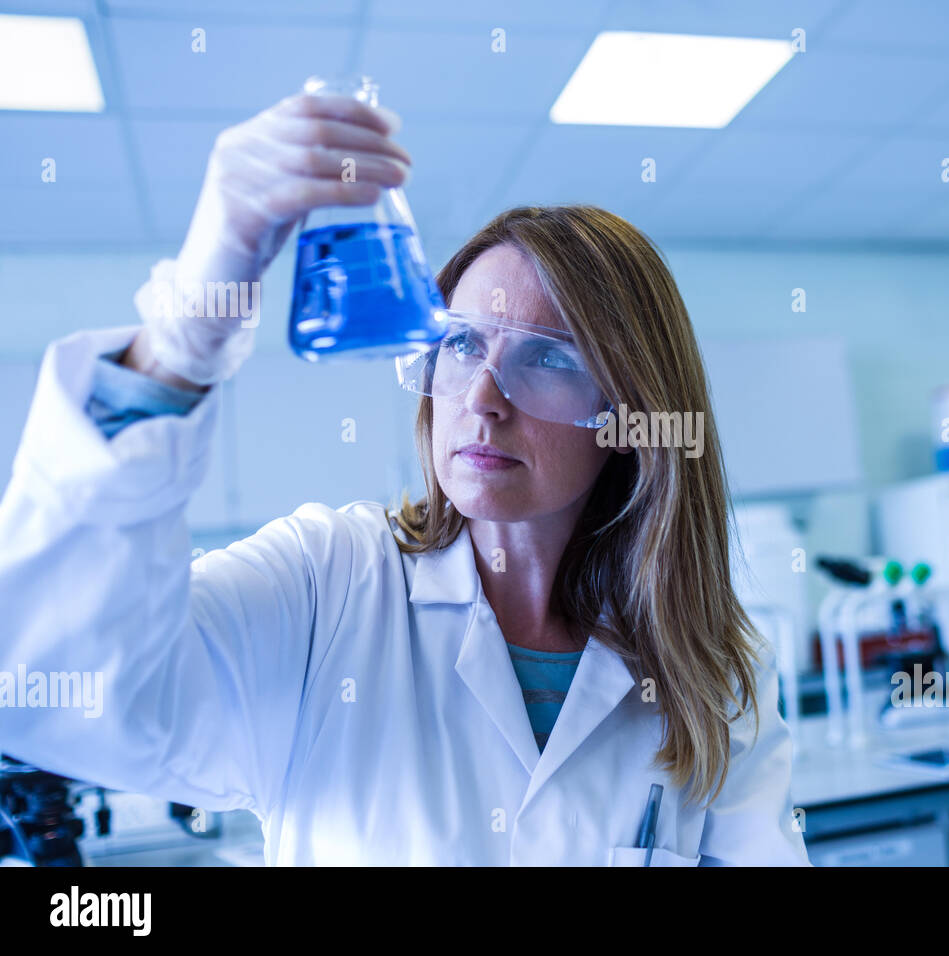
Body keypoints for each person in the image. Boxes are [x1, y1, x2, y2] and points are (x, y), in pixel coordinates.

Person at [0, 89, 810, 866]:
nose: (484, 398)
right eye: (462, 345)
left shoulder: (712, 674)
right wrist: (181, 347)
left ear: (628, 417)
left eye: (549, 356)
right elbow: (47, 690)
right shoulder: (330, 585)